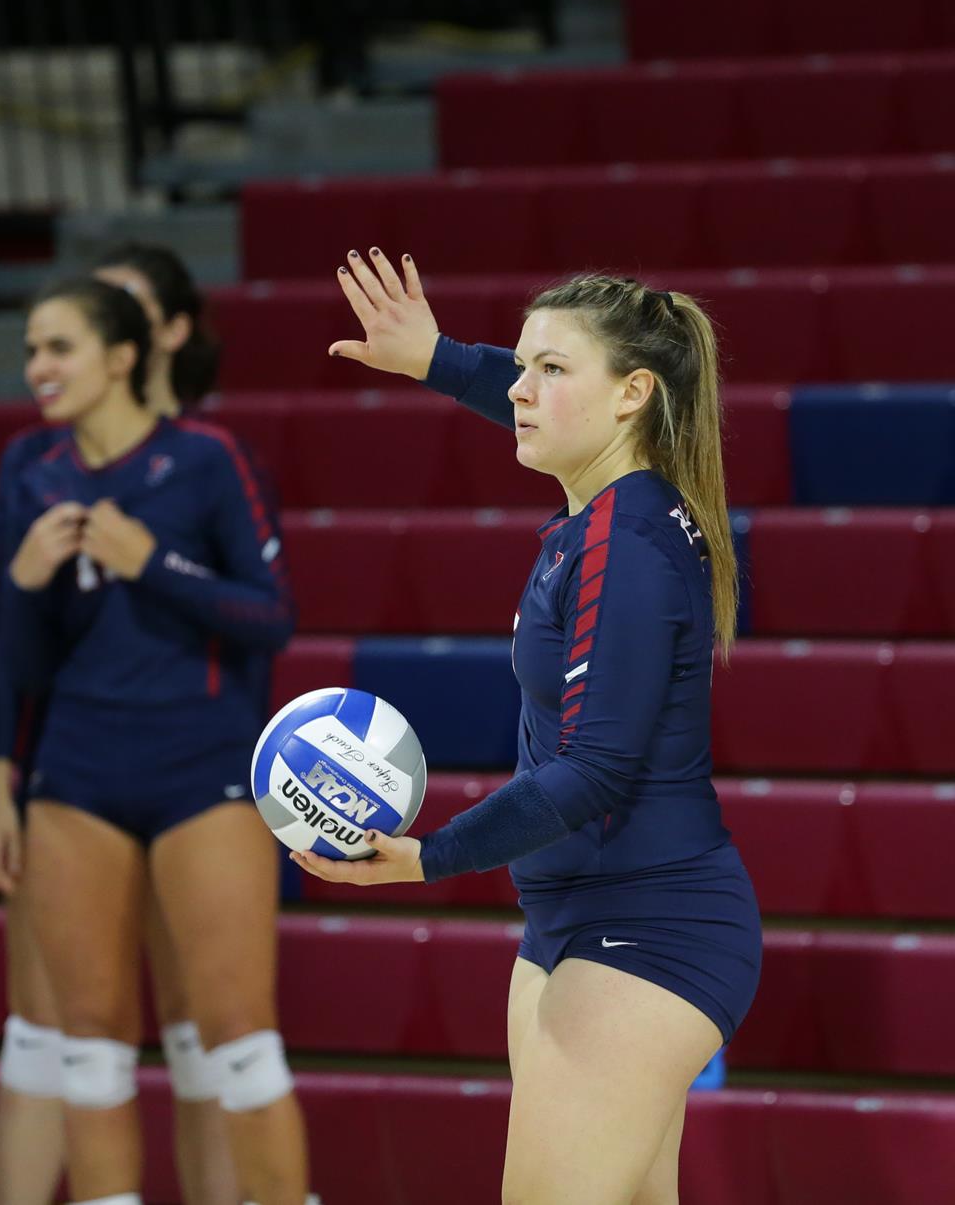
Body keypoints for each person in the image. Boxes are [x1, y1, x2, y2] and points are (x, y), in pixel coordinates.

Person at [304, 250, 762, 1204]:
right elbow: (534, 407)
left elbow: (593, 773)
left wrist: (427, 858)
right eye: (519, 366)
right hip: (573, 923)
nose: (520, 388)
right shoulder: (616, 510)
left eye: (550, 369)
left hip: (649, 930)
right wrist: (436, 358)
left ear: (634, 392)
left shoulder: (624, 544)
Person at [0, 276, 309, 1205]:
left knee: (241, 1043)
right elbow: (20, 661)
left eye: (58, 348)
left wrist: (154, 563)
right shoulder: (33, 474)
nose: (37, 369)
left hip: (202, 764)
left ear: (122, 356)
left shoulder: (208, 458)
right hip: (75, 772)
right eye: (29, 350)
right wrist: (21, 580)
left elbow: (273, 616)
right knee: (87, 1051)